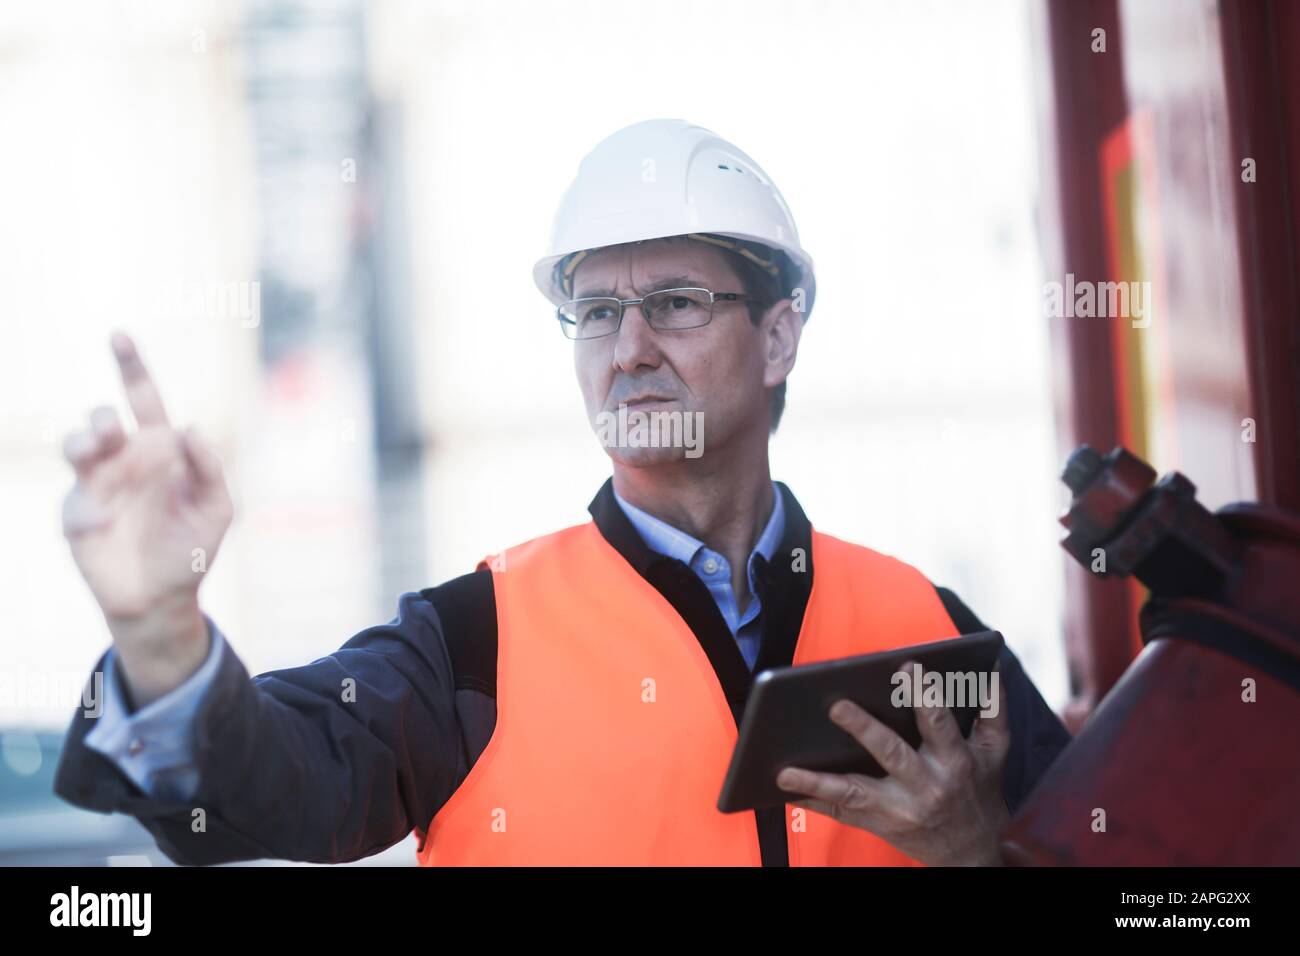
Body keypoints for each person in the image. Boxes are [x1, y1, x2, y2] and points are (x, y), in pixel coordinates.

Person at [54, 118, 1070, 866]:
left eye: (673, 303)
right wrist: (158, 633)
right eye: (595, 313)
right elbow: (265, 791)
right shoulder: (470, 642)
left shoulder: (923, 625)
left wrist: (981, 856)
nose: (629, 349)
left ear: (777, 336)